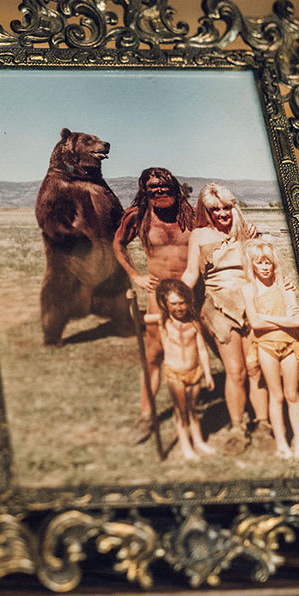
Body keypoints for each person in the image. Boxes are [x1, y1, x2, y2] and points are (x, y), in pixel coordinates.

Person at [181, 182, 266, 453]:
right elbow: (191, 273)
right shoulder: (199, 235)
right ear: (206, 211)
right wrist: (173, 294)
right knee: (236, 371)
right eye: (214, 209)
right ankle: (238, 427)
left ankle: (264, 425)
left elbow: (263, 265)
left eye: (225, 208)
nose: (221, 214)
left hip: (250, 303)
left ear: (232, 207)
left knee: (254, 367)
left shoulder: (246, 230)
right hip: (218, 307)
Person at [113, 167, 195, 443]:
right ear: (144, 191)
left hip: (193, 293)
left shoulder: (191, 214)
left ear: (174, 186)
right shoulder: (138, 216)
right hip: (158, 295)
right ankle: (146, 416)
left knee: (211, 347)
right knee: (153, 356)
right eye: (153, 187)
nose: (159, 190)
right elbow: (118, 245)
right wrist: (135, 275)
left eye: (164, 185)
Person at [242, 238, 299, 458]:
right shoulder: (248, 289)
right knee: (276, 395)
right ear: (252, 264)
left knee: (292, 394)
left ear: (273, 263)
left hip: (289, 345)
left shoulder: (285, 286)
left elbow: (296, 322)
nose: (264, 267)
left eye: (268, 262)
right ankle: (281, 443)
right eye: (259, 262)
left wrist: (267, 317)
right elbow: (255, 324)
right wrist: (282, 320)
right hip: (266, 346)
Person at [144, 278, 215, 460]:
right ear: (165, 304)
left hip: (194, 372)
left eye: (181, 303)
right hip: (174, 373)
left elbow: (202, 350)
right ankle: (185, 445)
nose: (178, 308)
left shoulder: (194, 323)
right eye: (173, 304)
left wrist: (207, 373)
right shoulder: (162, 320)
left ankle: (198, 441)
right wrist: (130, 302)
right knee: (181, 410)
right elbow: (139, 317)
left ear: (187, 301)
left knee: (192, 408)